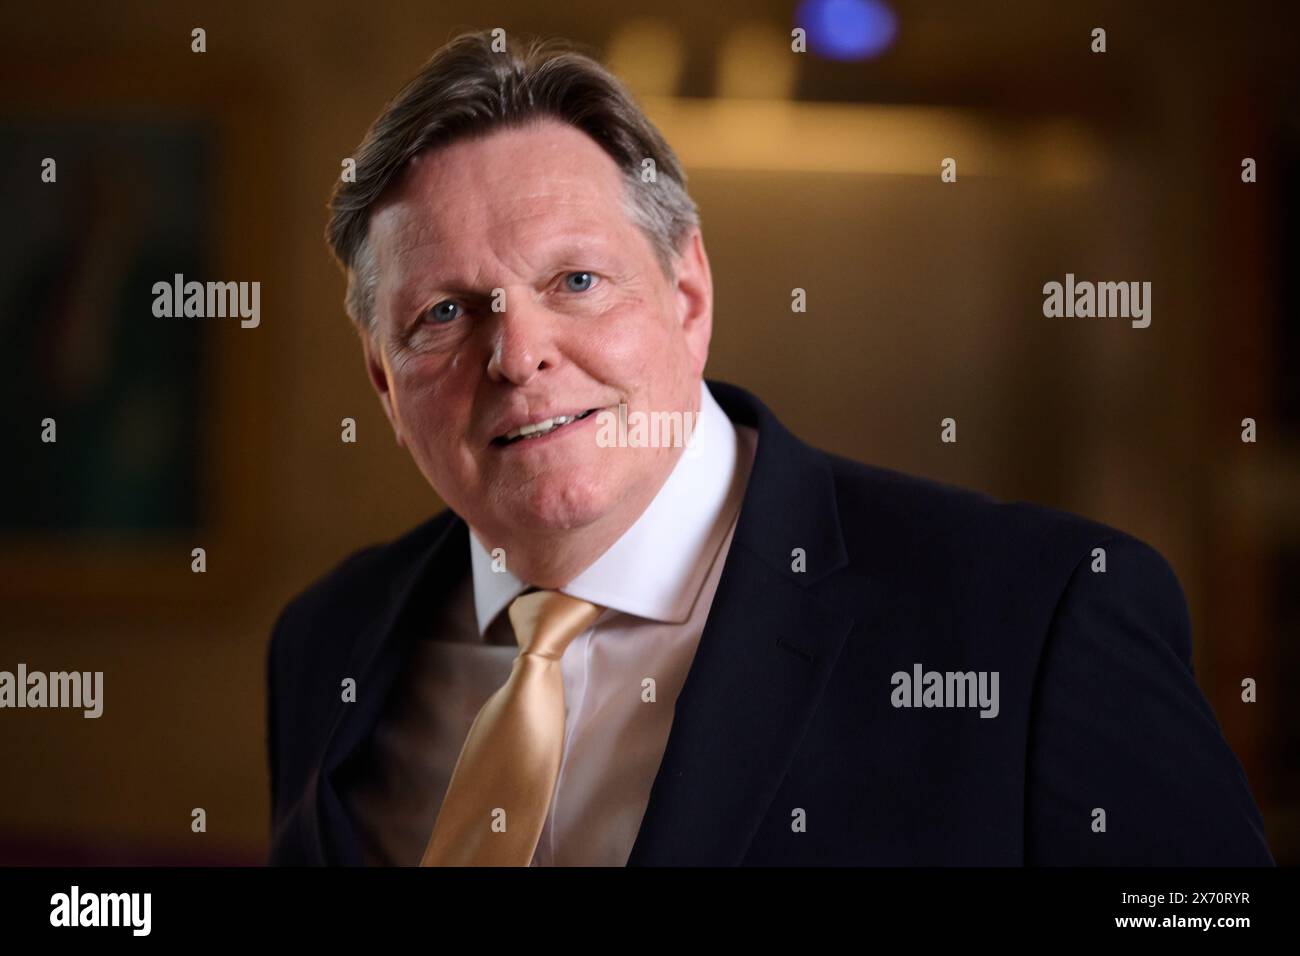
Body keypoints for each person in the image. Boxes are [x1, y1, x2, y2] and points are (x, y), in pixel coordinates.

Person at [266, 30, 1273, 866]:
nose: (518, 354)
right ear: (385, 383)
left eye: (575, 280)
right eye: (443, 312)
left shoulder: (1037, 623)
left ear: (688, 295)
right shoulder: (326, 641)